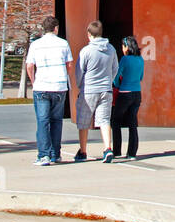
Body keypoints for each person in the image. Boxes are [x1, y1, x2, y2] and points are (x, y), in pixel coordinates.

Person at [26, 15, 73, 167]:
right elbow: (70, 64)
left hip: (42, 86)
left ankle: (43, 155)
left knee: (43, 121)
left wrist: (34, 81)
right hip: (59, 86)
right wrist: (65, 76)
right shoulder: (63, 43)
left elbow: (29, 66)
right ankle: (55, 154)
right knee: (56, 121)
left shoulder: (35, 45)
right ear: (56, 28)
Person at [74, 20, 119, 163]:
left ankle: (83, 151)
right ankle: (107, 148)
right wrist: (109, 81)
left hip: (89, 90)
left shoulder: (86, 51)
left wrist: (80, 85)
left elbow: (79, 71)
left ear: (89, 34)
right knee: (104, 120)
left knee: (84, 121)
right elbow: (115, 68)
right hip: (106, 89)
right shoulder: (111, 49)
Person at [111, 35, 145, 159]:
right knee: (132, 123)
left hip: (125, 92)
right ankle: (132, 153)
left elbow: (117, 75)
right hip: (137, 93)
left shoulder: (125, 59)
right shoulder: (140, 59)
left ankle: (117, 151)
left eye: (123, 45)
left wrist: (118, 84)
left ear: (126, 47)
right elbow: (141, 77)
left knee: (116, 121)